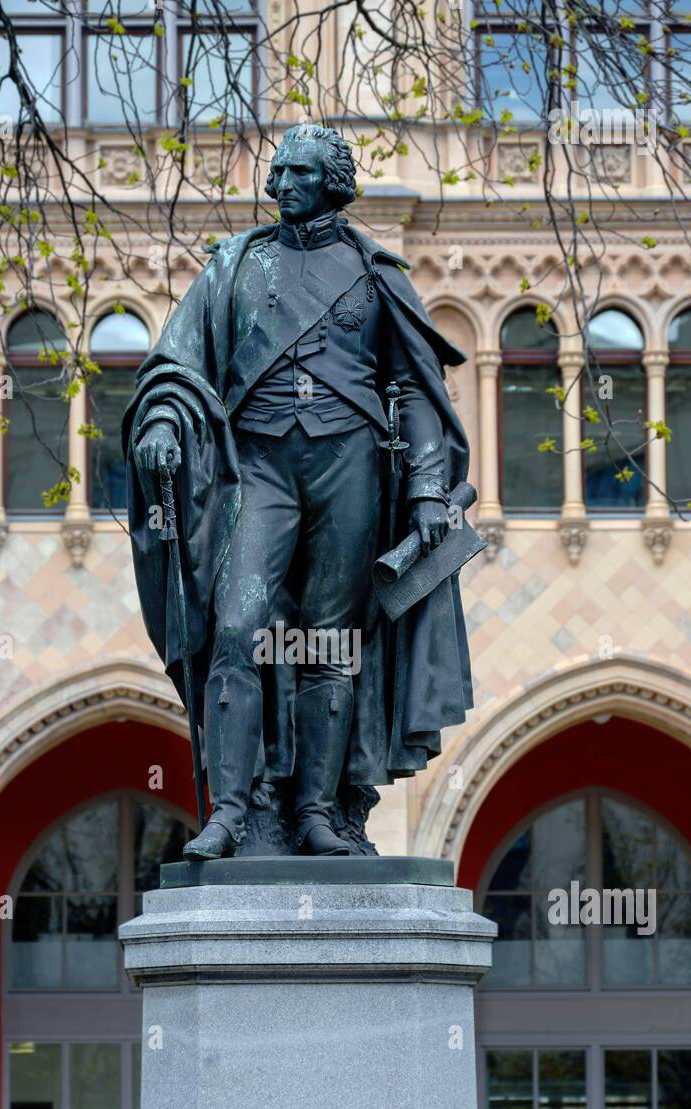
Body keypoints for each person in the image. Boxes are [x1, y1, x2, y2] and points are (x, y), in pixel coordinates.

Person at [123, 124, 474, 860]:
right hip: (257, 466)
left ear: (333, 182)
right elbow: (174, 362)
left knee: (330, 640)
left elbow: (414, 386)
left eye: (298, 174)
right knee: (234, 629)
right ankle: (231, 811)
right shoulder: (233, 265)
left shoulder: (376, 271)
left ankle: (317, 810)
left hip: (348, 465)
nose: (279, 186)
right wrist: (159, 418)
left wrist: (429, 491)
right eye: (276, 172)